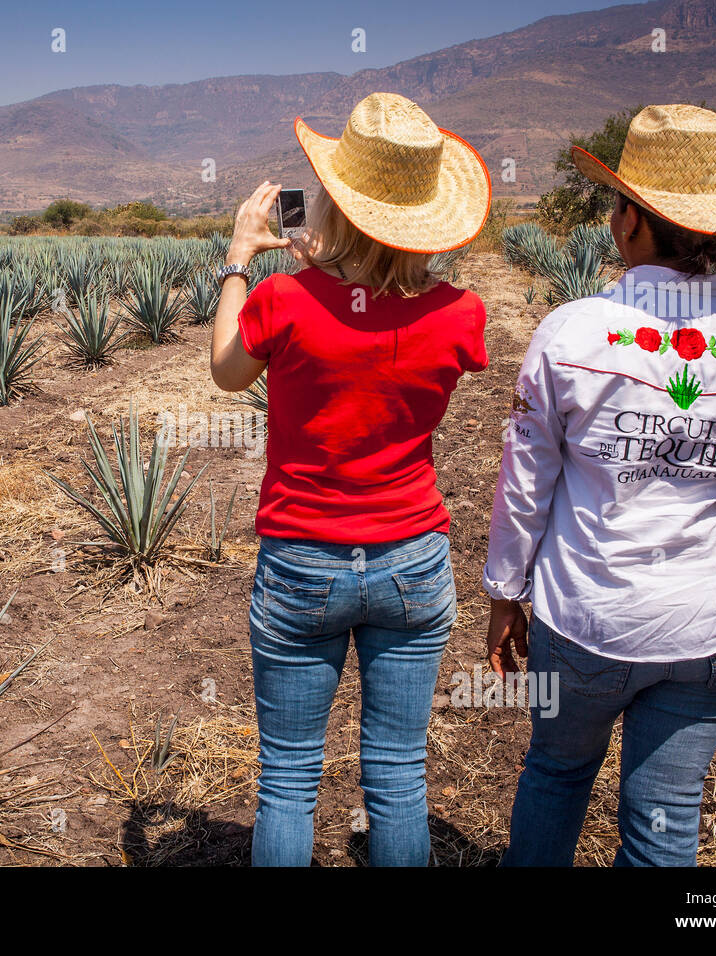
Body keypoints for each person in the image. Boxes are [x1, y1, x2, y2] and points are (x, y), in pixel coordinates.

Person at [483, 104, 716, 866]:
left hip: (587, 618)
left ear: (629, 221)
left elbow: (525, 481)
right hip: (714, 628)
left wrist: (505, 592)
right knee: (665, 819)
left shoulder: (571, 331)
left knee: (556, 774)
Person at [210, 92, 491, 866]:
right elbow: (378, 333)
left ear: (331, 202)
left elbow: (227, 370)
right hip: (410, 559)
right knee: (399, 776)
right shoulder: (462, 313)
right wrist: (345, 270)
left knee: (289, 778)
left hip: (303, 559)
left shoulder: (282, 300)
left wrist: (241, 258)